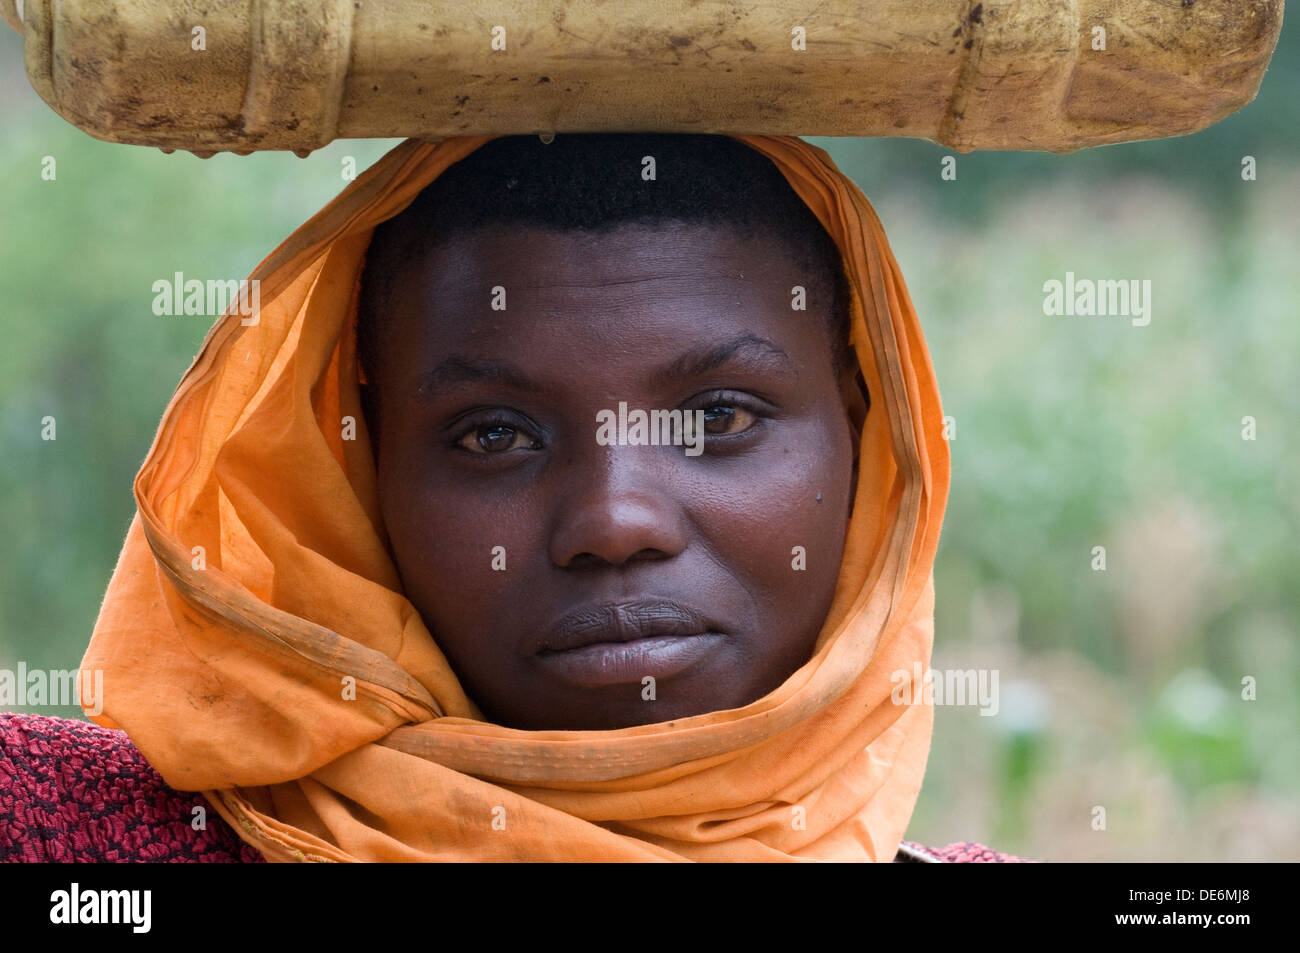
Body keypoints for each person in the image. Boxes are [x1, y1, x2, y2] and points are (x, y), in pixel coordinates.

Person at [0, 132, 1023, 862]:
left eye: (716, 417)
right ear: (362, 469)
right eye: (495, 434)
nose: (615, 519)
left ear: (865, 434)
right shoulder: (71, 836)